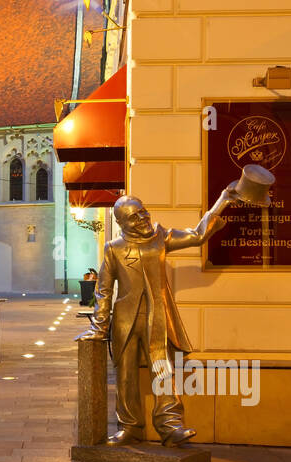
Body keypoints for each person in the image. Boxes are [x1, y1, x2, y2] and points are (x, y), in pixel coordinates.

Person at [77, 185, 237, 446]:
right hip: (125, 321)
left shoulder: (161, 237)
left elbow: (197, 235)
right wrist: (99, 326)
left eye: (143, 212)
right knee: (125, 376)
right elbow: (103, 291)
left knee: (163, 371)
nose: (143, 219)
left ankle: (170, 425)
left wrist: (222, 201)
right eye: (134, 217)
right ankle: (129, 427)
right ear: (121, 223)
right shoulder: (113, 248)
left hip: (157, 318)